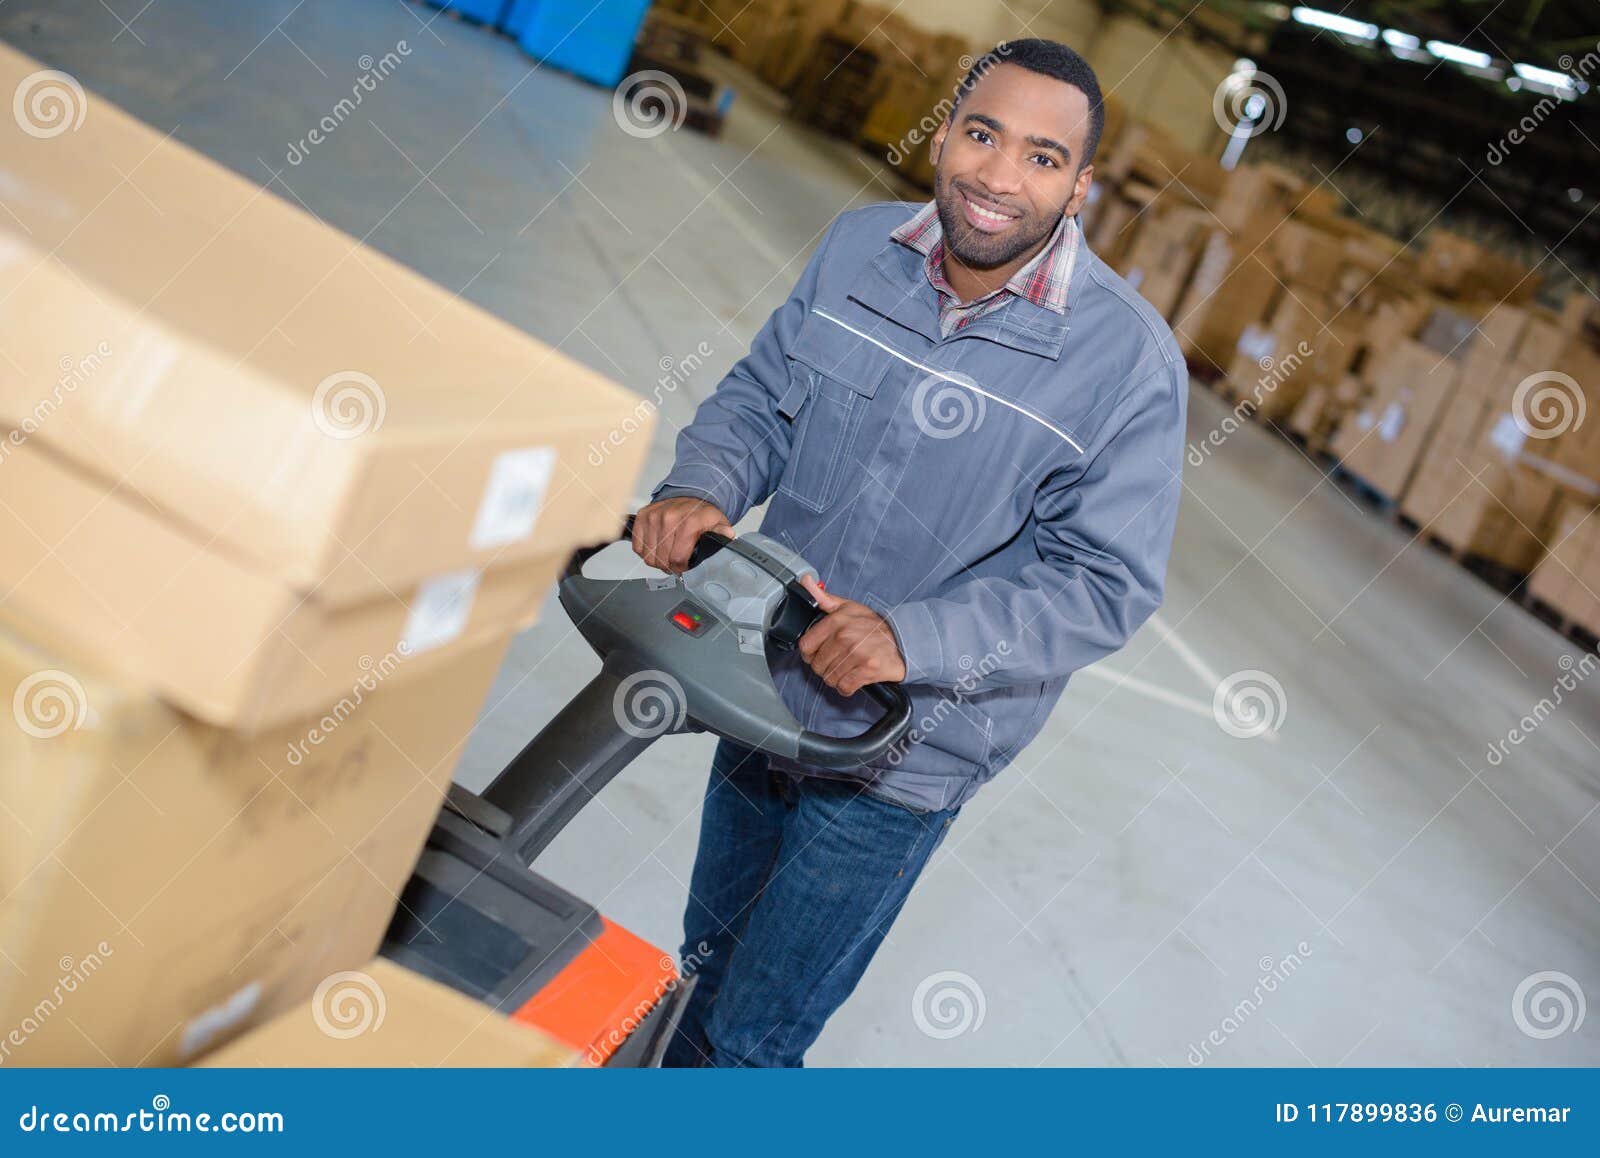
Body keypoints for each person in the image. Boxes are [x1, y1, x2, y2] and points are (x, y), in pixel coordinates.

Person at [633, 38, 1187, 1067]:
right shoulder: (856, 251)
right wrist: (702, 484)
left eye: (1039, 156)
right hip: (764, 686)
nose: (996, 176)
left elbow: (1103, 584)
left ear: (1080, 187)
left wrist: (910, 638)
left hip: (902, 753)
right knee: (704, 968)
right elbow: (762, 398)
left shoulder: (1126, 362)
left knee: (755, 1038)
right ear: (943, 133)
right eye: (982, 135)